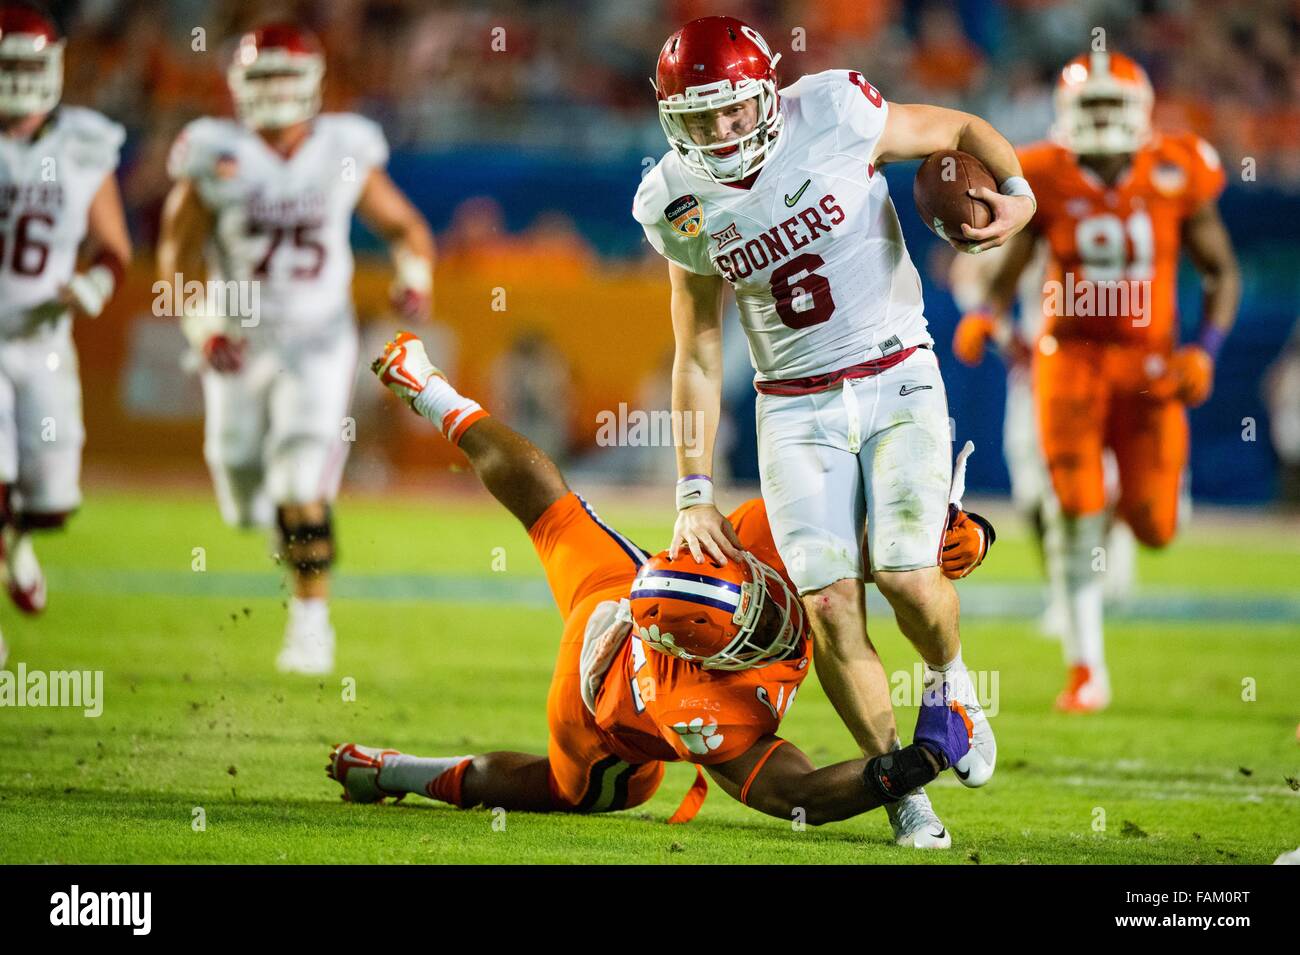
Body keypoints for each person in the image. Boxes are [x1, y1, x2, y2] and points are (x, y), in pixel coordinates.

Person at [326, 331, 987, 833]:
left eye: (755, 606)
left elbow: (868, 541)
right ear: (718, 658)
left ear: (721, 555)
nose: (776, 622)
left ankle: (429, 387)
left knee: (551, 507)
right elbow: (799, 795)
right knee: (570, 790)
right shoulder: (697, 710)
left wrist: (957, 533)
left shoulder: (756, 530)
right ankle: (400, 770)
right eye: (754, 630)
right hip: (598, 709)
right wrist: (906, 767)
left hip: (615, 591)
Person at [632, 15, 1032, 842]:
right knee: (830, 606)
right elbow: (697, 352)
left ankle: (952, 681)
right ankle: (900, 789)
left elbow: (959, 128)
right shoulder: (676, 197)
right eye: (698, 118)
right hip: (792, 401)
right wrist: (693, 491)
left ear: (766, 93)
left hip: (895, 371)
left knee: (908, 573)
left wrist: (1019, 196)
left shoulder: (835, 110)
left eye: (733, 110)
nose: (719, 130)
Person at [951, 51, 1240, 711]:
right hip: (1070, 357)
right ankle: (1087, 670)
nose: (1104, 119)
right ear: (1067, 113)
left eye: (1115, 106)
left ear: (1140, 114)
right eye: (1093, 106)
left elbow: (1220, 271)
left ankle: (1146, 499)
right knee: (1074, 508)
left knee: (1158, 524)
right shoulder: (1045, 174)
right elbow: (1016, 257)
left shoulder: (1178, 167)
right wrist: (986, 313)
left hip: (1149, 363)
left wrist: (1208, 349)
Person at [157, 22, 436, 674]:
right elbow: (177, 254)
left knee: (299, 477)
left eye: (287, 76)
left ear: (313, 84)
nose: (276, 91)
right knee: (244, 496)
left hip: (319, 339)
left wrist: (413, 277)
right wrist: (203, 327)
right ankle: (286, 521)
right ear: (238, 86)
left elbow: (403, 227)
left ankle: (311, 623)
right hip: (239, 341)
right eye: (263, 77)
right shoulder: (214, 152)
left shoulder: (342, 146)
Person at [0, 2, 131, 666]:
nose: (19, 78)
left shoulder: (81, 141)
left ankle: (17, 542)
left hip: (44, 339)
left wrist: (92, 287)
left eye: (30, 64)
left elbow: (114, 247)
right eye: (9, 64)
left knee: (49, 499)